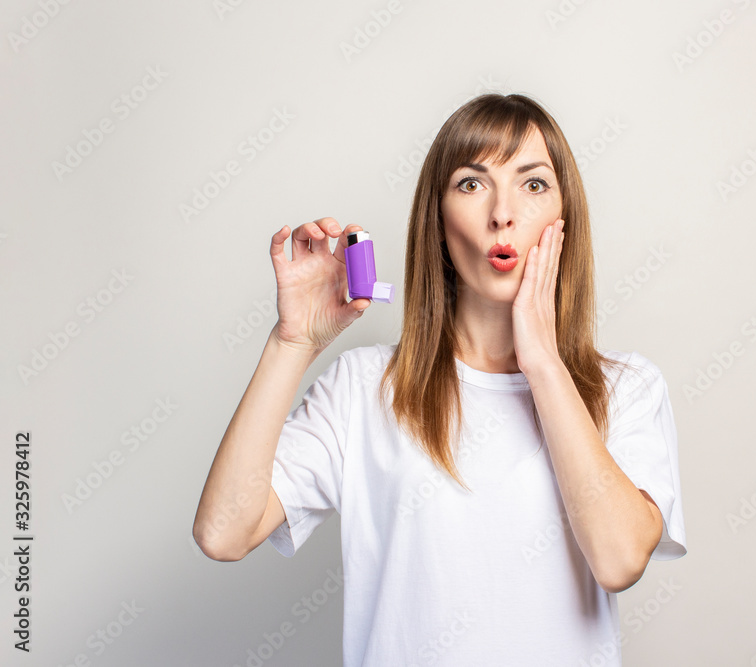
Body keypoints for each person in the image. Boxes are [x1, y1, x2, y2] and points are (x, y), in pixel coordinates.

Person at [193, 92, 686, 666]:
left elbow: (620, 559)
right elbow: (223, 533)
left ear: (563, 219)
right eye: (472, 184)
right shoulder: (364, 387)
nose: (502, 213)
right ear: (439, 220)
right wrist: (292, 342)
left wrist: (544, 363)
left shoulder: (626, 388)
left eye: (532, 184)